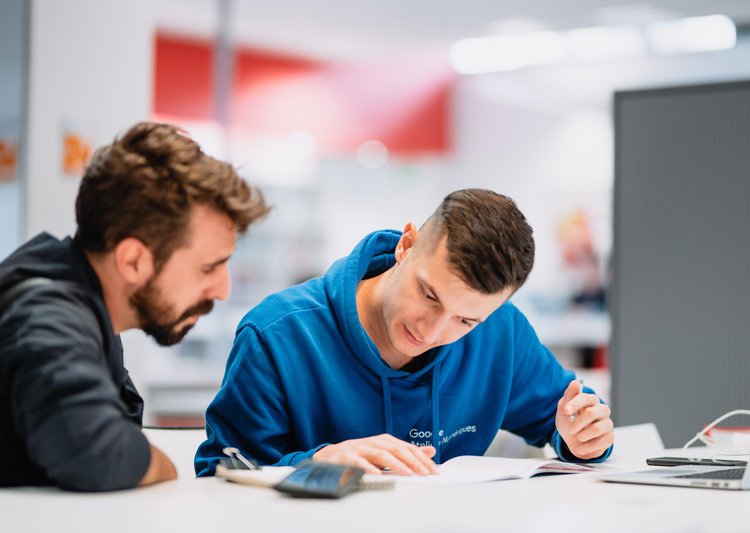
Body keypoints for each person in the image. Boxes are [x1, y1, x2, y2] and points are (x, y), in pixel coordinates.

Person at [195, 189, 613, 477]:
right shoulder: (277, 335)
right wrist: (315, 462)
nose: (432, 331)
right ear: (406, 245)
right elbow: (220, 474)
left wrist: (583, 436)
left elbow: (565, 421)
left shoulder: (501, 333)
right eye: (429, 295)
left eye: (465, 321)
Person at [0, 122, 269, 491]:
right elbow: (96, 454)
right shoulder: (45, 312)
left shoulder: (90, 309)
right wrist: (161, 464)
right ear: (132, 262)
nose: (223, 289)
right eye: (208, 267)